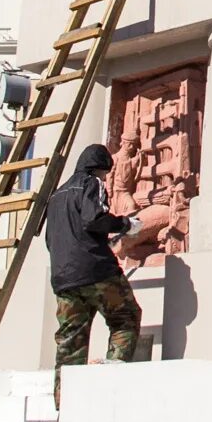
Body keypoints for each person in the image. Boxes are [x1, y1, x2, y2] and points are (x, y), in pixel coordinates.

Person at [45, 143, 143, 405]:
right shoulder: (91, 183)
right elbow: (93, 218)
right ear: (101, 167)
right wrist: (125, 224)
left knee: (70, 339)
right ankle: (114, 378)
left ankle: (64, 402)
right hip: (95, 271)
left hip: (64, 278)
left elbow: (51, 238)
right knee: (125, 316)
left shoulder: (56, 196)